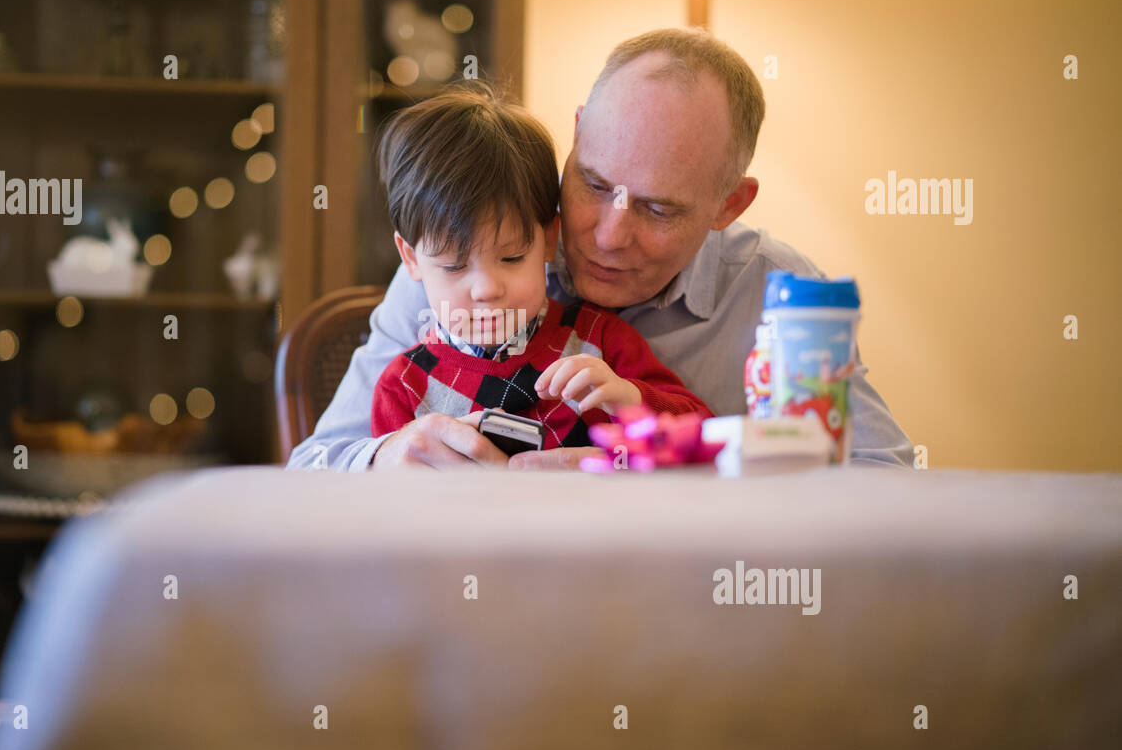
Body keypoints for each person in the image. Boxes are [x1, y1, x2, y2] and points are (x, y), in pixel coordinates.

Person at [288, 27, 912, 471]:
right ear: (579, 132)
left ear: (730, 206)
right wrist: (386, 455)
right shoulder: (471, 259)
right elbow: (313, 465)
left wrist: (668, 471)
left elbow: (883, 477)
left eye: (658, 208)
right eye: (594, 183)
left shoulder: (780, 297)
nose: (608, 235)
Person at [369, 85, 712, 449]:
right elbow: (387, 500)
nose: (486, 289)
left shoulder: (599, 341)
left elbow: (702, 434)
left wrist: (628, 398)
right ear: (410, 258)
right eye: (454, 266)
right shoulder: (405, 385)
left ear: (550, 238)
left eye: (512, 258)